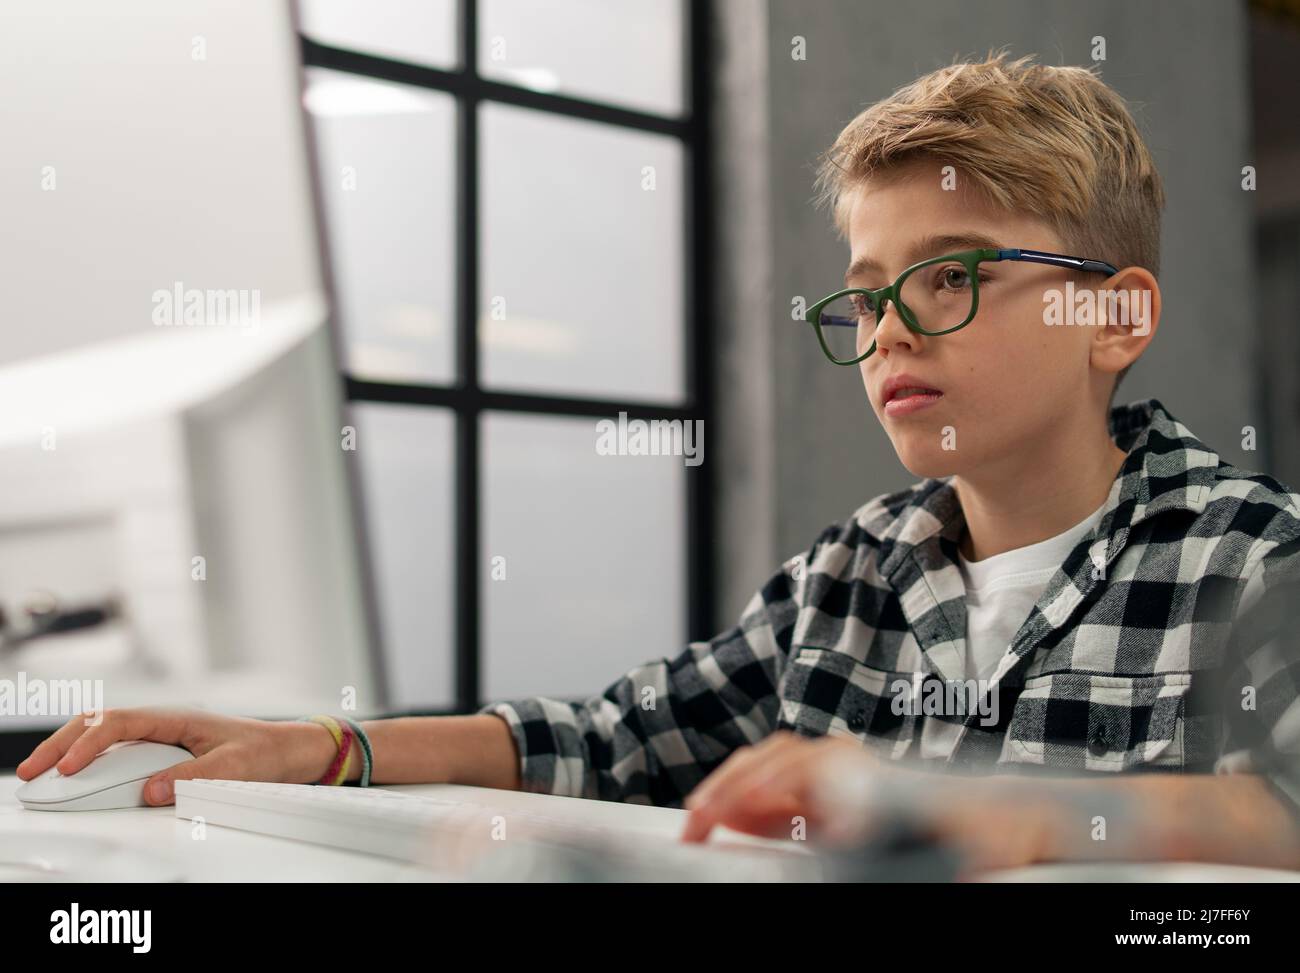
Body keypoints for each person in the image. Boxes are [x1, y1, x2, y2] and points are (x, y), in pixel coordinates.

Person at [18, 53, 1300, 873]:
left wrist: (1005, 806)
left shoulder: (1250, 556)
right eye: (864, 298)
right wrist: (325, 747)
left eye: (951, 275)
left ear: (1112, 316)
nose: (890, 327)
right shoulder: (850, 576)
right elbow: (612, 739)